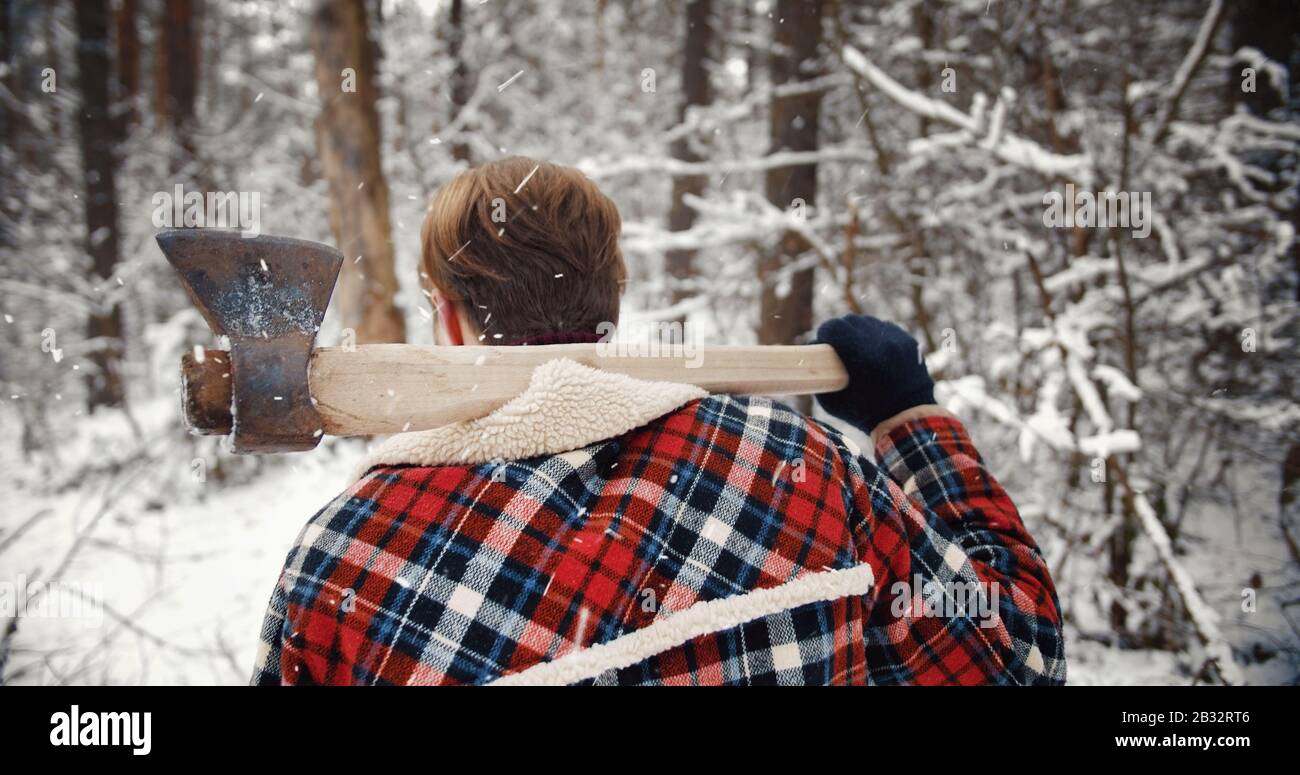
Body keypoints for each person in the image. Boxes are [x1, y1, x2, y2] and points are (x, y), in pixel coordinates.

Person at [252, 156, 1066, 685]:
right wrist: (911, 421)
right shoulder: (808, 470)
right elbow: (1020, 656)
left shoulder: (341, 563)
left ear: (450, 318)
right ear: (612, 300)